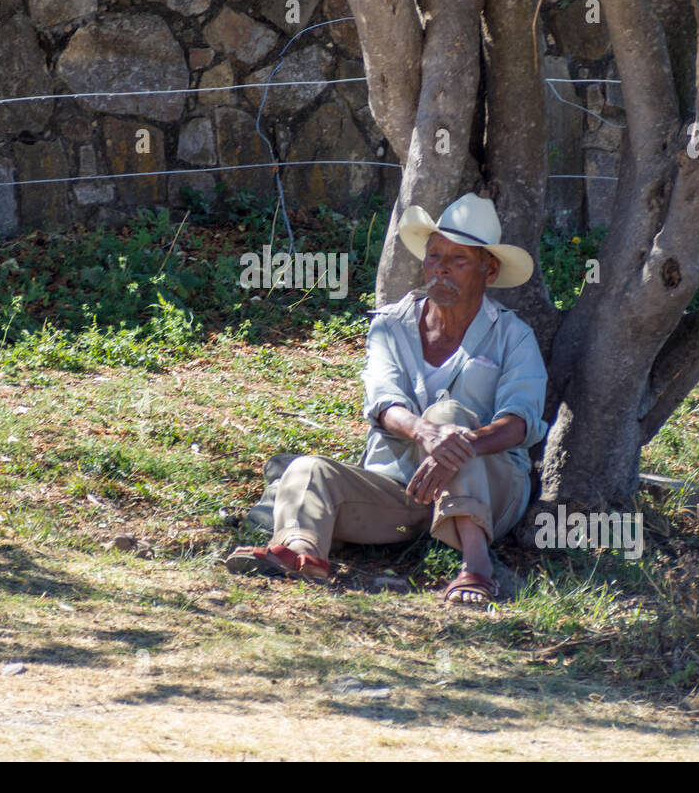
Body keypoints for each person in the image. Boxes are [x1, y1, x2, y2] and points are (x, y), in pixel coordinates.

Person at [226, 193, 549, 605]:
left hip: (489, 492)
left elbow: (520, 420)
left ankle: (477, 566)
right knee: (308, 468)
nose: (442, 268)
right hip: (402, 492)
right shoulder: (389, 326)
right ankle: (301, 552)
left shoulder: (513, 335)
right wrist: (424, 432)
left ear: (489, 269)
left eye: (459, 259)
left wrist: (459, 442)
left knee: (451, 418)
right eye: (434, 256)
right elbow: (383, 401)